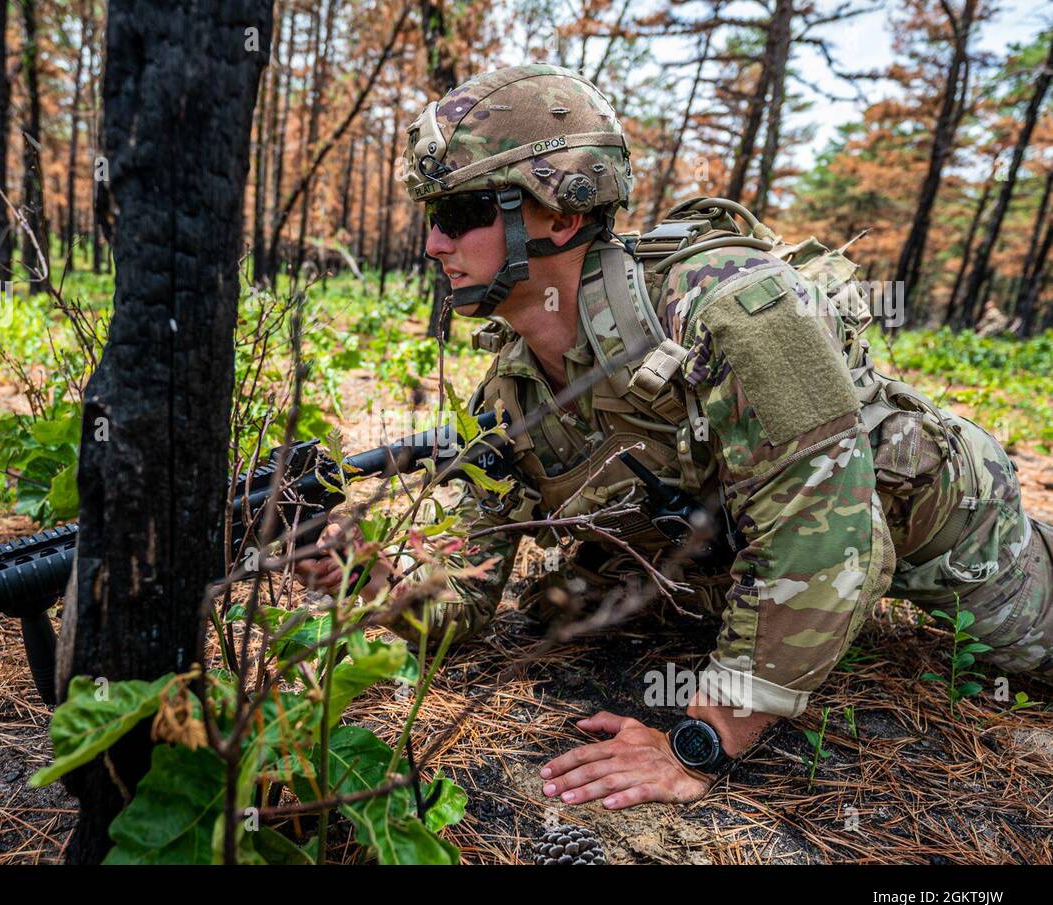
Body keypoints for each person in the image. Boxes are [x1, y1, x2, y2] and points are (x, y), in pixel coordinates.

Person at [295, 63, 1053, 811]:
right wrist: (368, 577)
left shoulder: (726, 305)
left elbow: (832, 543)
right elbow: (461, 597)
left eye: (459, 213)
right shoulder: (508, 396)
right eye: (432, 214)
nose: (433, 242)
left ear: (560, 214)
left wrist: (701, 739)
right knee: (563, 606)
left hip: (936, 525)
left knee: (1037, 654)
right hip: (725, 549)